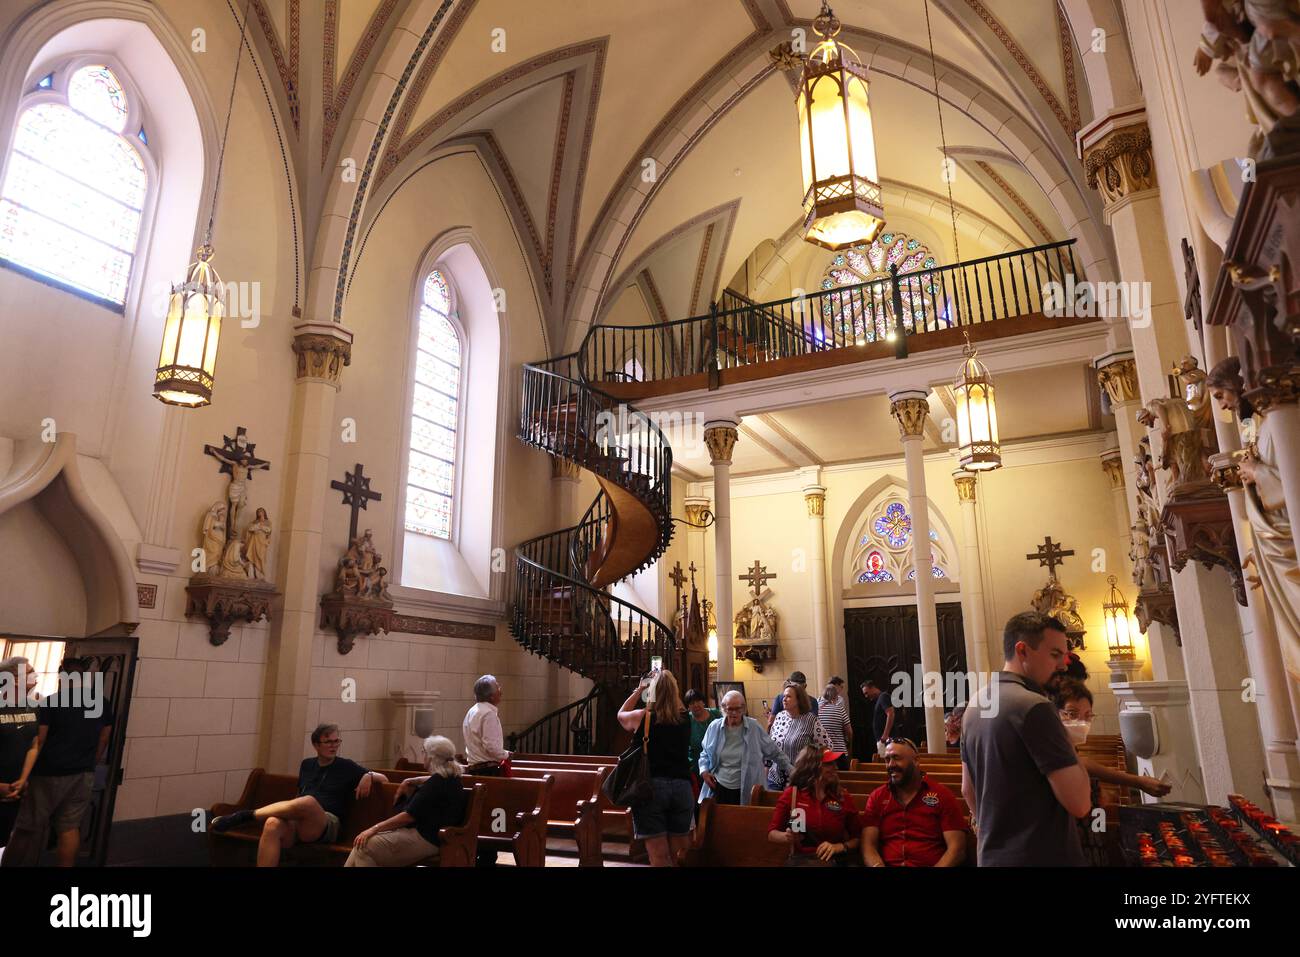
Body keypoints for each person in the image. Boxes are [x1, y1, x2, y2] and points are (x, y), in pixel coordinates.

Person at [961, 612, 1091, 867]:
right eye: (1055, 655)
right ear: (1022, 651)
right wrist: (1069, 742)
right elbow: (1080, 804)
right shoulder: (1035, 707)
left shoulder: (975, 705)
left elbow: (968, 790)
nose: (1064, 665)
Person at [211, 723, 387, 866]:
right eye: (328, 742)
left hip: (327, 823)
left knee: (309, 801)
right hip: (300, 822)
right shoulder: (307, 765)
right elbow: (299, 793)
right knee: (272, 823)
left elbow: (384, 779)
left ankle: (245, 816)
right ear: (316, 745)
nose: (333, 746)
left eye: (336, 741)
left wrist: (368, 775)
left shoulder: (346, 766)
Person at [2, 657, 114, 867]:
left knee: (27, 827)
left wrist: (25, 775)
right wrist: (92, 761)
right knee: (69, 827)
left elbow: (40, 740)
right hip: (83, 774)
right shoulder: (101, 702)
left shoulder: (51, 702)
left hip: (49, 773)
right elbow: (104, 737)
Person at [345, 735, 467, 867]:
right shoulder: (451, 777)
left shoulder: (436, 784)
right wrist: (410, 780)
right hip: (429, 836)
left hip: (427, 839)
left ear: (431, 758)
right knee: (360, 846)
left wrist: (373, 829)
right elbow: (433, 780)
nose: (423, 756)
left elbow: (407, 817)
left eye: (423, 752)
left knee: (364, 846)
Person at [616, 669, 693, 867]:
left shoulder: (643, 717)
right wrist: (667, 683)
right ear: (675, 692)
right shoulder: (685, 719)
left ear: (652, 691)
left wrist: (639, 688)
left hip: (652, 787)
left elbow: (620, 715)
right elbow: (675, 704)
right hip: (682, 788)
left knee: (659, 857)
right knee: (679, 856)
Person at [1053, 680, 1170, 800]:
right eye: (1072, 714)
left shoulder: (1069, 745)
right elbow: (1082, 765)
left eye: (1088, 715)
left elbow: (1081, 763)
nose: (1082, 722)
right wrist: (1137, 781)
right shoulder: (1050, 745)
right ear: (1054, 713)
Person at [861, 737, 967, 867]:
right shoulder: (877, 797)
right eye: (887, 759)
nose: (891, 765)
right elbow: (868, 845)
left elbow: (957, 849)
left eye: (897, 758)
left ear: (916, 760)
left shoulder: (942, 795)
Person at [767, 745, 861, 865]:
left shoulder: (842, 796)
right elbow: (772, 833)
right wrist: (787, 836)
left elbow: (858, 837)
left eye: (834, 763)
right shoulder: (793, 794)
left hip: (834, 860)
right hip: (802, 860)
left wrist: (840, 846)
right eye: (829, 764)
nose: (835, 767)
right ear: (813, 767)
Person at [697, 690, 791, 805]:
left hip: (749, 786)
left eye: (738, 709)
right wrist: (704, 771)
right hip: (720, 786)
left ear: (744, 709)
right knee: (722, 821)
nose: (734, 713)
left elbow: (774, 752)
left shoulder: (754, 727)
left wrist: (791, 770)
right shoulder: (714, 727)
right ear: (723, 708)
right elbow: (705, 753)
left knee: (745, 820)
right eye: (730, 709)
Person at [0, 657, 39, 851]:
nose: (36, 676)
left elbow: (34, 744)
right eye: (31, 672)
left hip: (15, 790)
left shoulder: (32, 707)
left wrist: (23, 778)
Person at [767, 683, 830, 790]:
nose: (784, 699)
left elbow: (826, 747)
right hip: (775, 778)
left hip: (801, 779)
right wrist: (766, 769)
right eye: (784, 696)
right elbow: (770, 746)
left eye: (788, 696)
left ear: (799, 700)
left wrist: (813, 766)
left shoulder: (811, 720)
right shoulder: (779, 717)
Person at [463, 675, 510, 775]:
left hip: (474, 768)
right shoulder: (488, 714)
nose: (500, 691)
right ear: (491, 696)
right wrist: (507, 755)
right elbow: (491, 747)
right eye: (497, 687)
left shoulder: (472, 711)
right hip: (488, 770)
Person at [684, 688, 721, 797]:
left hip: (717, 764)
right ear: (688, 706)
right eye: (691, 703)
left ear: (703, 701)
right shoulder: (687, 720)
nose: (695, 705)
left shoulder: (715, 714)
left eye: (698, 701)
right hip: (695, 767)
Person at [817, 681, 852, 770]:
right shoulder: (839, 709)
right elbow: (849, 732)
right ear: (836, 696)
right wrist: (849, 745)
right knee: (844, 780)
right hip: (839, 754)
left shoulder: (816, 710)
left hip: (823, 754)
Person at [862, 679, 895, 758]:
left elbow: (890, 713)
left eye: (866, 693)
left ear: (873, 688)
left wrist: (885, 735)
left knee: (886, 764)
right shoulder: (880, 699)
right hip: (883, 740)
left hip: (885, 740)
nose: (866, 696)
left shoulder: (883, 696)